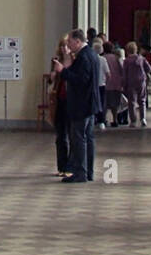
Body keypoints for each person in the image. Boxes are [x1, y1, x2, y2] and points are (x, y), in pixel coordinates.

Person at [57, 29, 100, 182]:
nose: (68, 45)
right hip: (89, 103)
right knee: (88, 139)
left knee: (79, 139)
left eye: (69, 41)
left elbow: (80, 80)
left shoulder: (83, 57)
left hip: (81, 104)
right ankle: (88, 172)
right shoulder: (92, 54)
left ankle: (81, 173)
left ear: (77, 41)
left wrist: (63, 71)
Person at [48, 35, 72, 176]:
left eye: (66, 46)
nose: (64, 48)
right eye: (62, 46)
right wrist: (52, 76)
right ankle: (61, 166)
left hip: (71, 100)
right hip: (59, 99)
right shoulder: (56, 60)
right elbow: (51, 81)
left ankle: (70, 166)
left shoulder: (75, 61)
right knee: (60, 135)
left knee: (71, 134)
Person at [122, 41, 151, 128]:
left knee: (132, 102)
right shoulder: (141, 59)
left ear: (127, 50)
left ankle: (133, 121)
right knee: (142, 100)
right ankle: (143, 119)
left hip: (131, 82)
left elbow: (124, 73)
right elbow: (149, 69)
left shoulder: (127, 61)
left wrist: (124, 84)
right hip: (141, 81)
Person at [104, 43, 124, 126]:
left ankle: (104, 119)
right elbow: (122, 70)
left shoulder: (103, 58)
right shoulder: (117, 58)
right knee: (115, 104)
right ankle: (115, 119)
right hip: (116, 84)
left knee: (105, 103)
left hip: (106, 84)